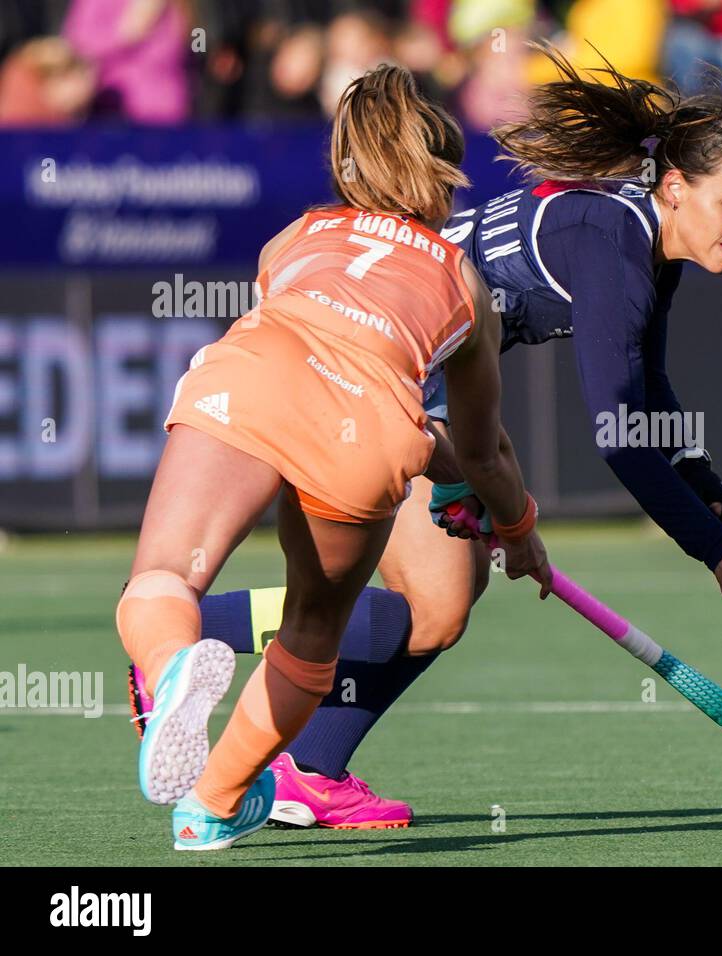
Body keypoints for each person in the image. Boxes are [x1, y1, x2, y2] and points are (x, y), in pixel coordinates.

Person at [131, 46, 722, 830]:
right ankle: (187, 647)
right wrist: (710, 551)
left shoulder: (643, 237)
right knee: (370, 608)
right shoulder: (609, 240)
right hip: (397, 390)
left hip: (364, 384)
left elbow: (646, 389)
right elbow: (614, 435)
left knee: (435, 611)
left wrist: (704, 481)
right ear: (675, 186)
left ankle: (290, 752)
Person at [118, 64, 550, 850]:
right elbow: (481, 452)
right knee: (314, 631)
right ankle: (212, 804)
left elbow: (304, 354)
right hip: (369, 430)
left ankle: (174, 662)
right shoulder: (465, 283)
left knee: (163, 578)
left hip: (249, 378)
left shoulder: (295, 236)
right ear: (443, 174)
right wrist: (517, 530)